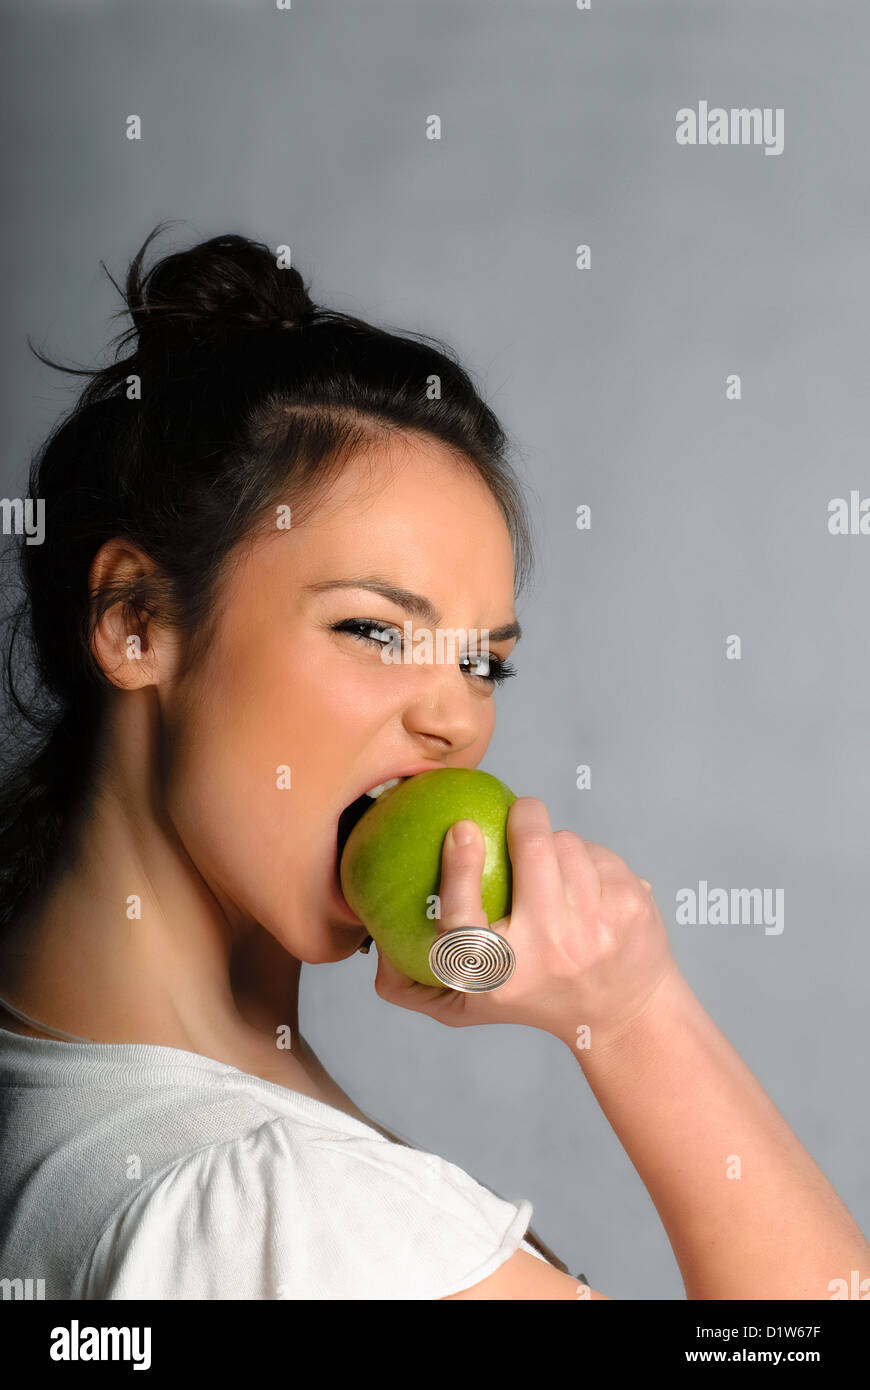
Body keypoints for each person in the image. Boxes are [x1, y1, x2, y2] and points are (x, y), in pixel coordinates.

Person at [0, 224, 866, 1301]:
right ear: (135, 622)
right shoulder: (286, 1214)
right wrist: (637, 1014)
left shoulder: (66, 1081)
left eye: (482, 664)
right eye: (373, 630)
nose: (455, 719)